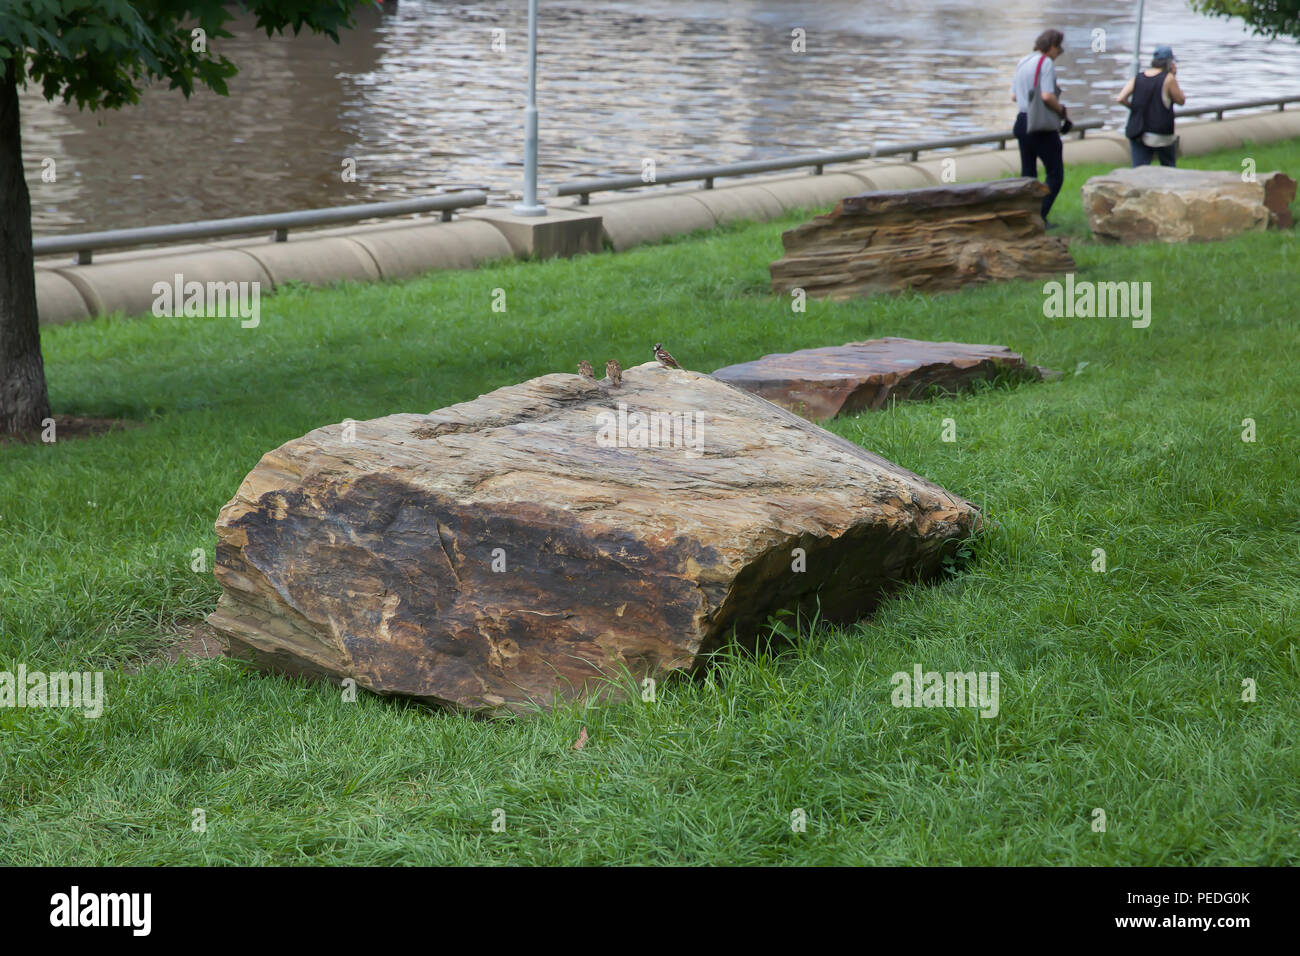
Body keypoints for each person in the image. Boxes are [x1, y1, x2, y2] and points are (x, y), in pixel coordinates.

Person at [1011, 29, 1069, 226]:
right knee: (1055, 173)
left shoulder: (1023, 61)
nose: (1058, 53)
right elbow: (1047, 96)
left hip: (1021, 121)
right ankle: (1039, 217)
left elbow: (1013, 96)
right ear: (1051, 46)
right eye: (1059, 49)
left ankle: (1025, 217)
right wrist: (1061, 111)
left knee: (1028, 175)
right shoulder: (1045, 63)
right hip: (1040, 125)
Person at [1117, 45, 1185, 168]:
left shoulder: (1138, 78)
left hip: (1137, 131)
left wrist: (1134, 108)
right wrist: (1174, 76)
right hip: (1160, 133)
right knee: (1168, 166)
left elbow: (1121, 98)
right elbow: (1181, 100)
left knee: (1138, 169)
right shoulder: (1168, 79)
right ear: (1169, 62)